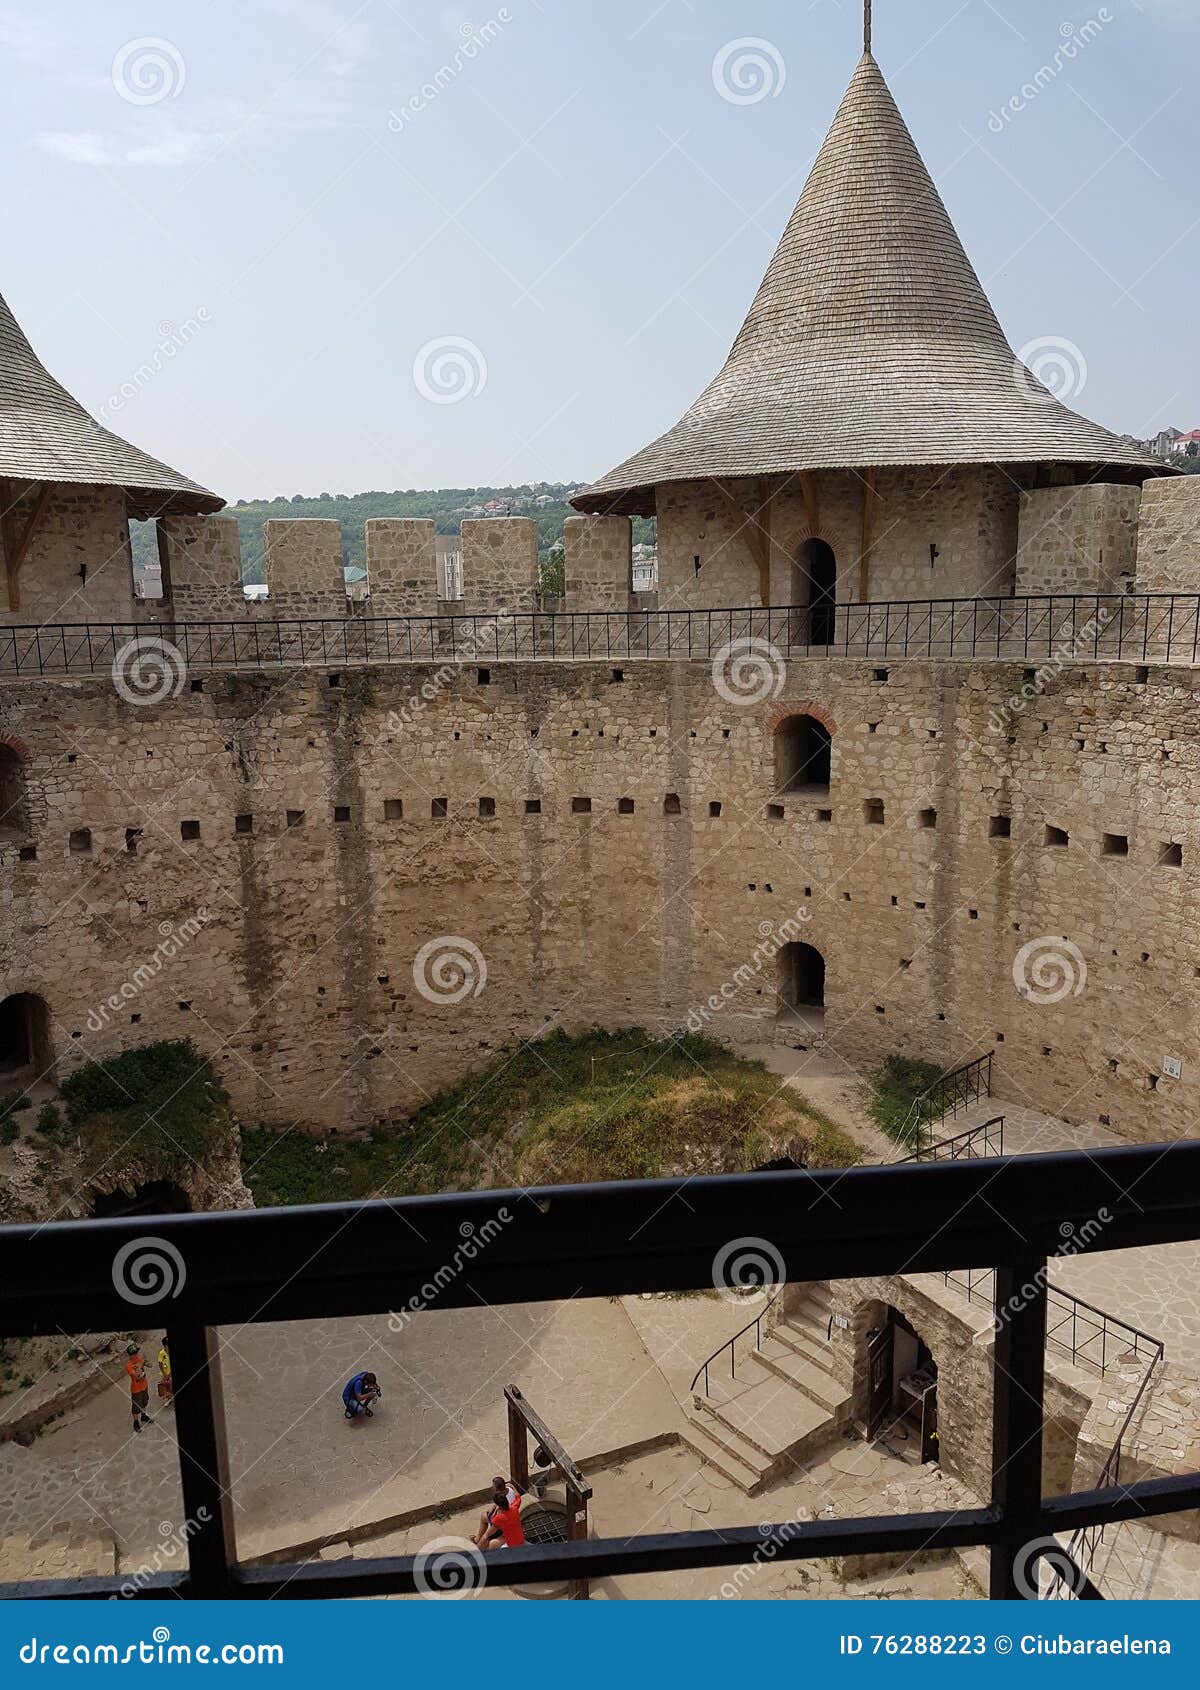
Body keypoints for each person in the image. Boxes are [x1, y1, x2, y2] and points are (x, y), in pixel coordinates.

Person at [474, 1477, 525, 1550]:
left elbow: (486, 1535)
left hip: (511, 1544)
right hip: (520, 1539)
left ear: (499, 1506)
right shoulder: (515, 1507)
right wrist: (513, 1487)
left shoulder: (499, 1518)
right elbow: (518, 1497)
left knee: (492, 1544)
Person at [125, 1343, 152, 1432]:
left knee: (145, 1402)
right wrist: (141, 1363)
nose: (137, 1354)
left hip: (144, 1386)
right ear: (131, 1355)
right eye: (135, 1353)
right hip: (136, 1389)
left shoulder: (139, 1359)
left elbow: (150, 1365)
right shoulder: (128, 1366)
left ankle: (144, 1416)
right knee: (136, 1407)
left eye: (137, 1352)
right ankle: (136, 1422)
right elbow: (137, 1376)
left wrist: (146, 1361)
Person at [156, 1337, 173, 1408]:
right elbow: (160, 1364)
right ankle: (169, 1399)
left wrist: (169, 1374)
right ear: (164, 1346)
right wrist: (164, 1373)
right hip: (165, 1374)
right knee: (166, 1387)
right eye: (167, 1345)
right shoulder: (161, 1353)